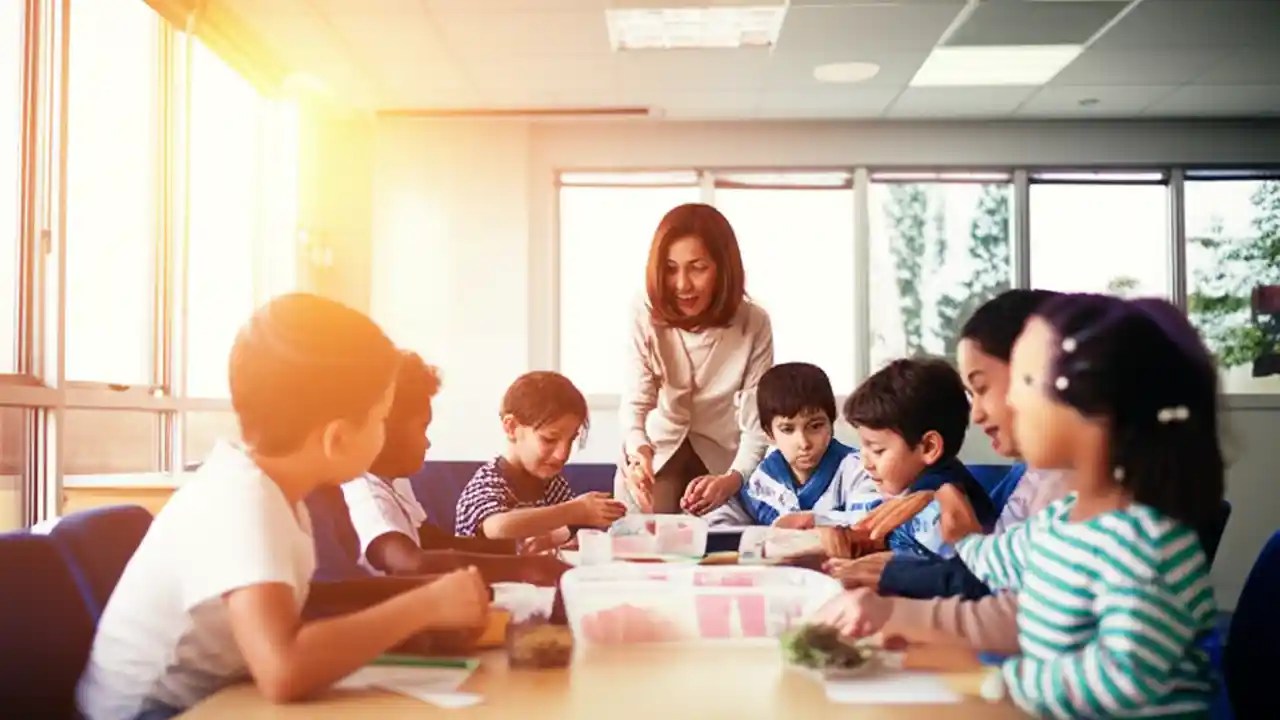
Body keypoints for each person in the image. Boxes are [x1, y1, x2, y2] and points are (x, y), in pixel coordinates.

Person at [76, 294, 490, 719]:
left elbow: (308, 605)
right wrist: (425, 606)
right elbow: (283, 669)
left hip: (217, 698)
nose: (385, 432)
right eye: (382, 419)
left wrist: (428, 594)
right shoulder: (243, 502)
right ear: (338, 439)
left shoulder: (273, 492)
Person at [823, 294, 1223, 717]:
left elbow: (1124, 679)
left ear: (1095, 407)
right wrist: (896, 613)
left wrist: (990, 679)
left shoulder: (1145, 542)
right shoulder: (1059, 521)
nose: (1006, 403)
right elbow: (997, 573)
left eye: (1027, 382)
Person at [340, 352, 567, 583]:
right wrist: (524, 569)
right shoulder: (366, 495)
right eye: (422, 428)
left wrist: (517, 548)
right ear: (385, 430)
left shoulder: (394, 482)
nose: (428, 442)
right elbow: (412, 563)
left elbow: (435, 541)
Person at [616, 203, 773, 516]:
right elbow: (636, 403)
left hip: (720, 474)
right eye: (671, 268)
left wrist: (733, 480)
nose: (682, 284)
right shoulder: (643, 313)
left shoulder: (753, 323)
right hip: (653, 462)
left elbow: (756, 426)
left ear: (723, 268)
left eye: (697, 267)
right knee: (646, 550)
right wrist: (638, 453)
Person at [819, 357, 996, 578]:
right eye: (863, 447)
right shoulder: (917, 489)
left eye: (878, 450)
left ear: (929, 447)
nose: (866, 463)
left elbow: (953, 582)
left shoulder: (943, 508)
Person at [455, 371, 625, 541]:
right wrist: (575, 511)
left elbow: (568, 529)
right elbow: (498, 527)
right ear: (511, 427)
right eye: (549, 439)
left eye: (571, 440)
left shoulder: (551, 483)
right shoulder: (488, 483)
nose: (562, 454)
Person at [705, 362, 871, 526]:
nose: (804, 443)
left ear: (831, 421)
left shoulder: (860, 470)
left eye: (815, 426)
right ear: (769, 433)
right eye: (787, 429)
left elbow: (871, 522)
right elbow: (719, 523)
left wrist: (813, 521)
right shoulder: (764, 480)